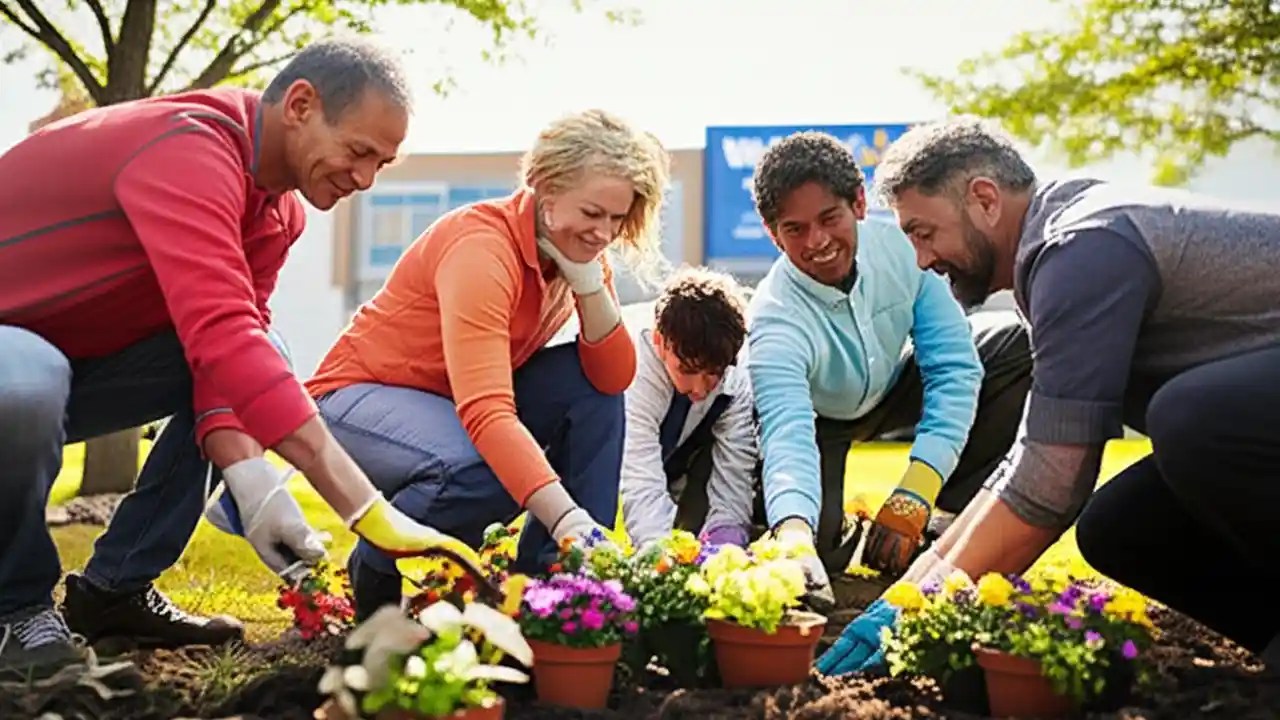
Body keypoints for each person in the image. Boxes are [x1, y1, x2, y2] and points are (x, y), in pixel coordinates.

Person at [0, 38, 486, 676]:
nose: (365, 179)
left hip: (71, 365)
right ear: (302, 105)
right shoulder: (187, 146)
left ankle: (114, 592)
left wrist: (250, 479)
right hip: (18, 359)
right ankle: (15, 610)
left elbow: (228, 353)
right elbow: (221, 329)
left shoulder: (278, 214)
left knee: (264, 353)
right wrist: (364, 507)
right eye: (359, 151)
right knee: (28, 375)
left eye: (382, 165)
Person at [818, 116, 1280, 675]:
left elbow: (1053, 481)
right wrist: (911, 591)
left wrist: (926, 607)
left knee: (1193, 420)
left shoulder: (1082, 247)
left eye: (923, 232)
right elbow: (1027, 461)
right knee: (1119, 527)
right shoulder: (1054, 250)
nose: (921, 258)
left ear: (984, 199)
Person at [303, 109, 671, 620]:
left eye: (616, 219)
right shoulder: (481, 248)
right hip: (356, 400)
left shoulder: (578, 254)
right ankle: (375, 562)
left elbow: (612, 379)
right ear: (544, 187)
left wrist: (588, 284)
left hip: (447, 402)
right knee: (486, 468)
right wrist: (568, 519)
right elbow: (487, 412)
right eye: (592, 213)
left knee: (589, 391)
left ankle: (558, 594)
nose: (604, 232)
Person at [745, 131, 1032, 607]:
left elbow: (954, 367)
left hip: (894, 384)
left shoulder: (906, 247)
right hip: (820, 421)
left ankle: (945, 523)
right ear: (771, 231)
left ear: (858, 202)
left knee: (1015, 344)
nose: (816, 242)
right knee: (819, 555)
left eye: (829, 219)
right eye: (794, 229)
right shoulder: (774, 318)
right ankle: (796, 531)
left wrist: (916, 490)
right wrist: (794, 535)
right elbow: (786, 432)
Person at [620, 266, 758, 552]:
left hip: (684, 453)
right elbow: (639, 471)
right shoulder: (634, 364)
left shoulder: (736, 370)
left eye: (713, 374)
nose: (699, 388)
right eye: (688, 370)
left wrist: (727, 541)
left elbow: (735, 469)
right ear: (660, 340)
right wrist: (659, 552)